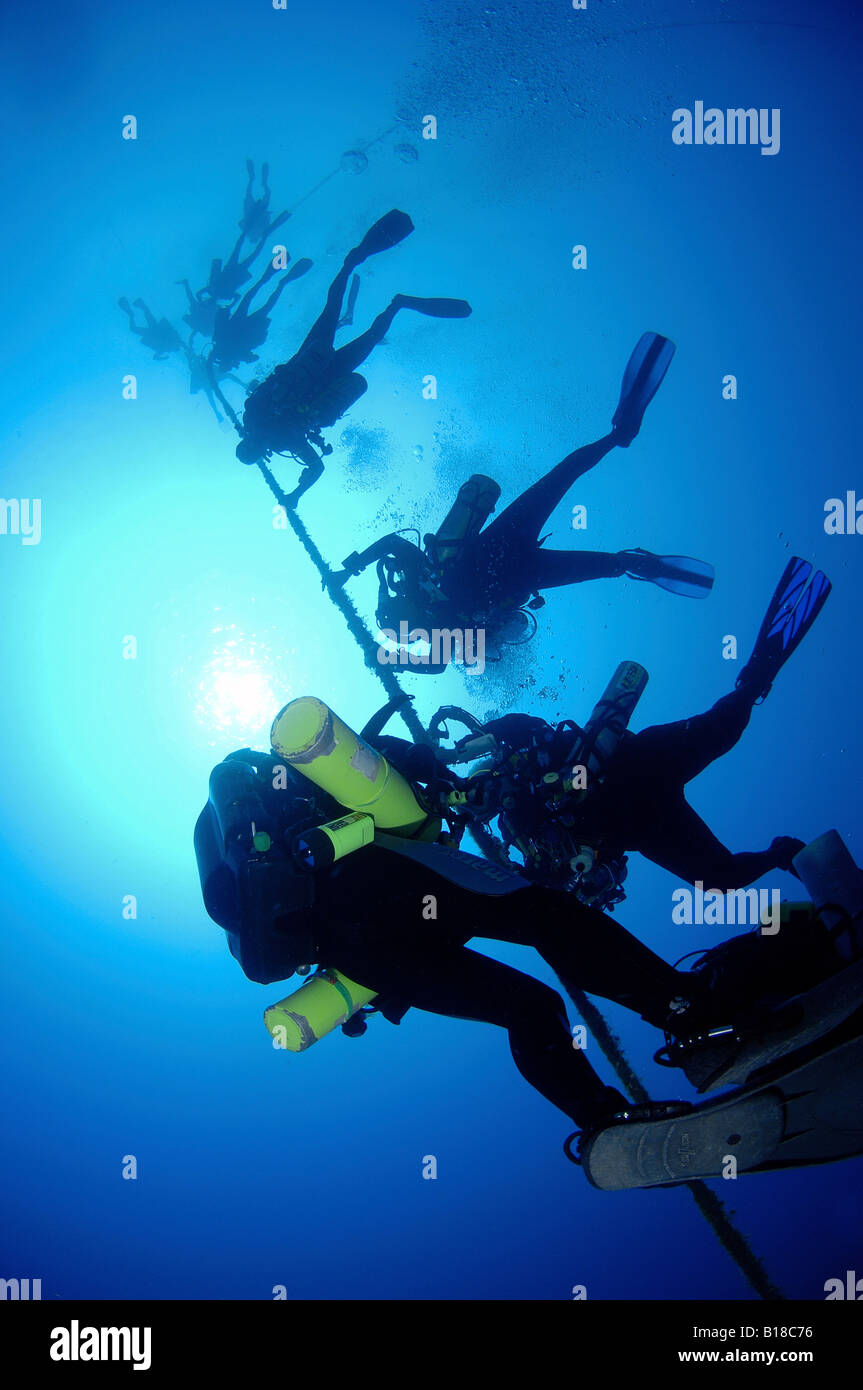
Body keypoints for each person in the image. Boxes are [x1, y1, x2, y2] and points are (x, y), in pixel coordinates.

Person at [195, 747, 726, 1137]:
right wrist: (440, 768)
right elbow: (413, 770)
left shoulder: (235, 838)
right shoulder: (306, 778)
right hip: (378, 878)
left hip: (359, 956)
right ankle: (684, 1009)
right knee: (547, 914)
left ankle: (602, 1121)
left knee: (529, 1008)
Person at [332, 334, 714, 665]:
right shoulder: (433, 609)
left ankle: (619, 454)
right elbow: (432, 660)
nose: (411, 632)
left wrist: (352, 572)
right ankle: (617, 440)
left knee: (577, 511)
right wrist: (352, 569)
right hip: (511, 555)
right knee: (561, 480)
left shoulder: (428, 595)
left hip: (515, 564)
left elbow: (395, 547)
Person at [465, 556, 832, 892]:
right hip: (645, 826)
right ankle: (782, 854)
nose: (484, 797)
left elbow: (523, 724)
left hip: (642, 760)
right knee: (720, 881)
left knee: (727, 728)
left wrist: (486, 736)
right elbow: (560, 874)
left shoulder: (525, 761)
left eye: (480, 786)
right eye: (478, 801)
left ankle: (753, 681)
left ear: (492, 771)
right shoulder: (515, 831)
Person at [234, 210, 472, 505]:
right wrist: (295, 494)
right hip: (317, 364)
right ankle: (377, 286)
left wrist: (296, 494)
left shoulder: (275, 432)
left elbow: (316, 465)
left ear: (258, 450)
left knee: (342, 318)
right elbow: (313, 462)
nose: (258, 443)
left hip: (318, 365)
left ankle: (383, 292)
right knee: (336, 313)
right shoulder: (259, 420)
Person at [208, 258, 313, 371]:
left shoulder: (223, 353)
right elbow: (253, 356)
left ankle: (276, 281)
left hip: (242, 325)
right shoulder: (227, 353)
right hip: (246, 326)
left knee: (259, 303)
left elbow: (220, 330)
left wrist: (246, 357)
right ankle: (275, 281)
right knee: (256, 301)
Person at [118, 297, 182, 359]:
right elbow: (158, 354)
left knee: (139, 323)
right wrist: (160, 356)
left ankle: (133, 311)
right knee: (145, 318)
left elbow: (157, 355)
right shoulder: (168, 346)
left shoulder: (167, 347)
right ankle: (136, 308)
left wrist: (160, 357)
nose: (173, 348)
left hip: (152, 331)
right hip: (154, 330)